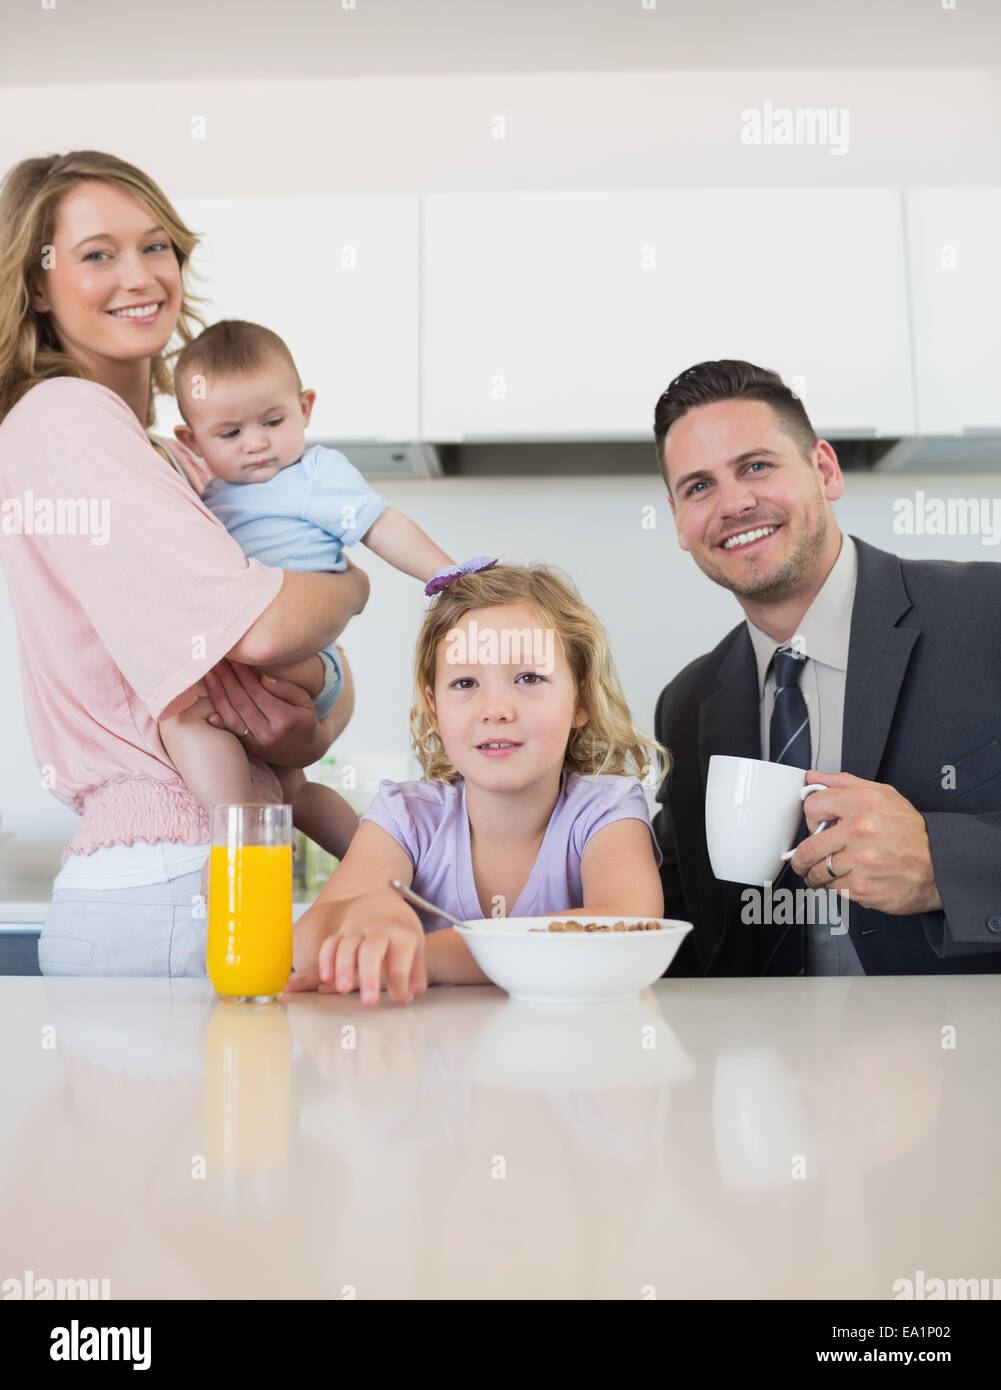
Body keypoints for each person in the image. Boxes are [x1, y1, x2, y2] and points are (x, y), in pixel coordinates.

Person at [0, 149, 368, 975]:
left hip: (195, 871)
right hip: (172, 876)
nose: (140, 275)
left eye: (157, 246)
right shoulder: (68, 416)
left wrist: (316, 703)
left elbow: (297, 689)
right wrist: (352, 584)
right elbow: (270, 629)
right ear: (35, 284)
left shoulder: (157, 448)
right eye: (97, 254)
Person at [650, 359, 1001, 976]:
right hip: (762, 1063)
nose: (733, 502)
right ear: (679, 522)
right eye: (698, 487)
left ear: (825, 470)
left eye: (756, 465)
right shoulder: (686, 703)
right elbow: (673, 922)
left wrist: (943, 865)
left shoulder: (985, 616)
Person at [287, 562, 667, 1002]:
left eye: (529, 678)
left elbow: (624, 929)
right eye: (465, 682)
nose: (496, 709)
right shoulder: (408, 815)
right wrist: (362, 913)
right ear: (435, 708)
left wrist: (422, 957)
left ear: (580, 699)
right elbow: (306, 946)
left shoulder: (607, 810)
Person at [160, 318, 454, 874]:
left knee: (183, 714)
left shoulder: (314, 476)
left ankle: (242, 842)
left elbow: (381, 525)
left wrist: (448, 575)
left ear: (305, 408)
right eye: (230, 434)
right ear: (191, 441)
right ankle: (397, 875)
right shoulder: (206, 501)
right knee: (293, 792)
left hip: (307, 663)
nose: (257, 443)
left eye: (273, 420)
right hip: (267, 679)